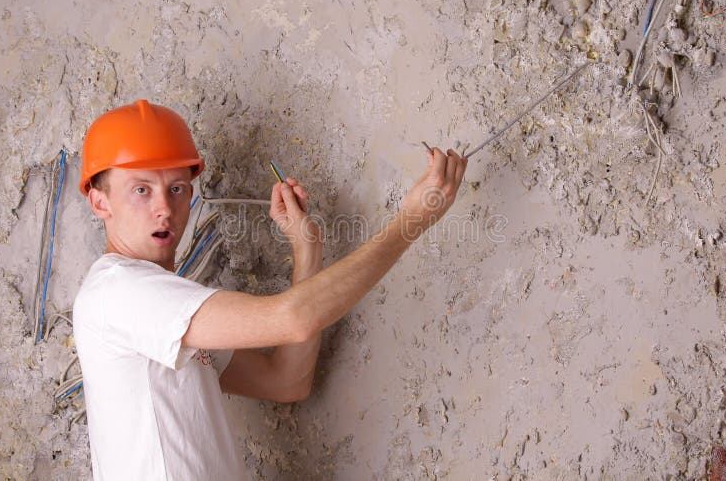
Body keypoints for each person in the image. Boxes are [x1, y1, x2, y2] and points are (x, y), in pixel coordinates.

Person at [73, 100, 468, 480]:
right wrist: (411, 221)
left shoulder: (168, 308)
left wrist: (307, 250)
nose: (164, 207)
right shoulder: (116, 290)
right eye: (141, 190)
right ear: (100, 202)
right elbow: (293, 319)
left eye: (177, 188)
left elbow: (286, 381)